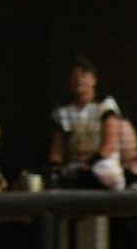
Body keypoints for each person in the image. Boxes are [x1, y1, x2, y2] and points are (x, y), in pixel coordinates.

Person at [48, 57, 130, 191]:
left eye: (84, 75)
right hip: (75, 164)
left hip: (102, 163)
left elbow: (109, 145)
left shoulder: (106, 105)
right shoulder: (62, 111)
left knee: (109, 173)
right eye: (75, 76)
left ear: (94, 79)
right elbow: (57, 148)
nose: (79, 80)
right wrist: (54, 169)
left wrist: (89, 164)